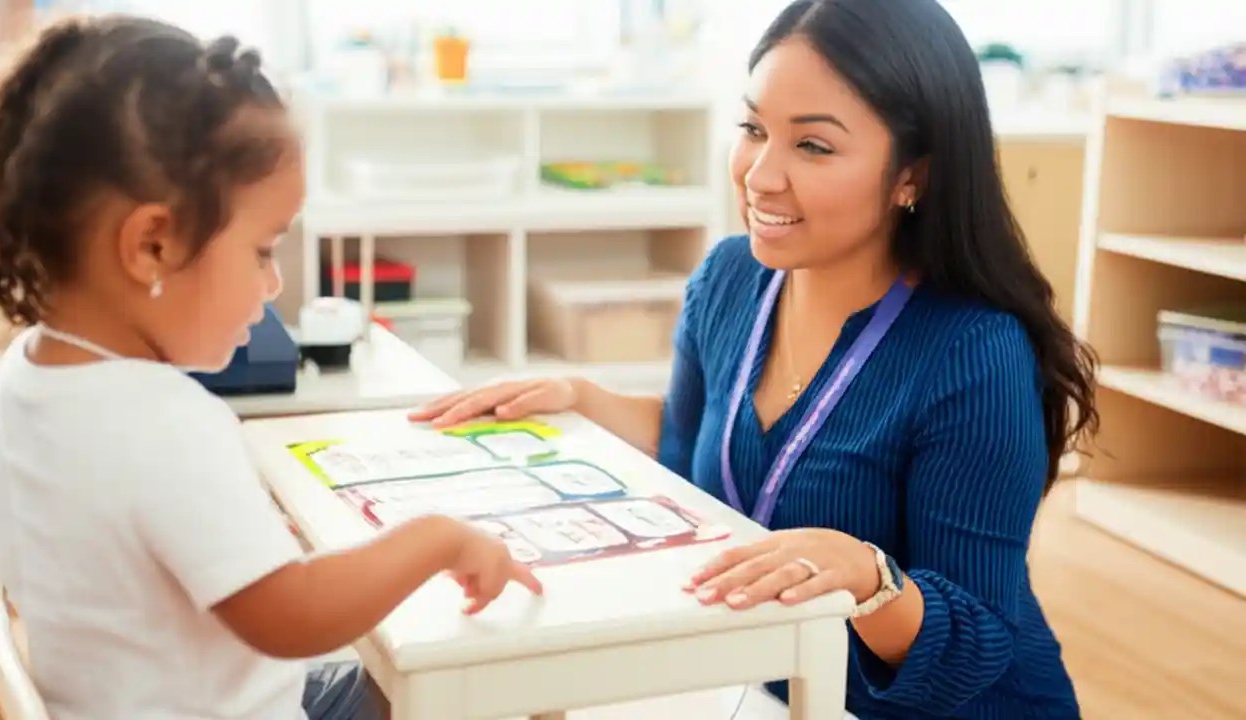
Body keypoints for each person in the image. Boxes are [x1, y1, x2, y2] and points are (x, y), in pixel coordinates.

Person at [412, 0, 1098, 717]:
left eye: (814, 147)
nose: (760, 175)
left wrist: (868, 578)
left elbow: (976, 646)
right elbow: (695, 443)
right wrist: (583, 398)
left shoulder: (972, 353)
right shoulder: (732, 277)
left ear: (913, 176)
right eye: (753, 129)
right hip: (771, 686)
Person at [0, 16, 540, 720]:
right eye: (263, 251)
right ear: (152, 245)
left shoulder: (25, 375)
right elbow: (294, 618)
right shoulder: (166, 423)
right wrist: (439, 536)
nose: (274, 287)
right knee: (497, 684)